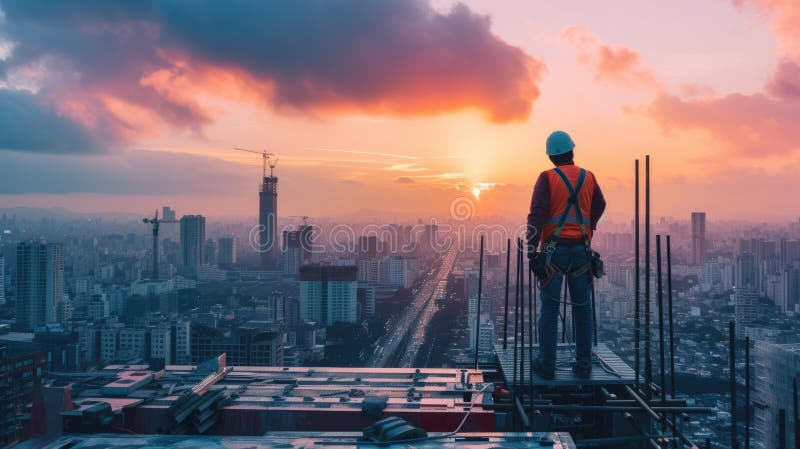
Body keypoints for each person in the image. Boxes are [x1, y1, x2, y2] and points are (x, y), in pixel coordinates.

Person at [526, 130, 606, 379]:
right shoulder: (588, 177)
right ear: (572, 151)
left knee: (549, 310)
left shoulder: (546, 178)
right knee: (582, 309)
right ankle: (583, 365)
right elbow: (600, 204)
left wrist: (531, 252)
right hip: (581, 252)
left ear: (551, 157)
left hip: (553, 253)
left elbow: (536, 216)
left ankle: (547, 365)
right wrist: (587, 227)